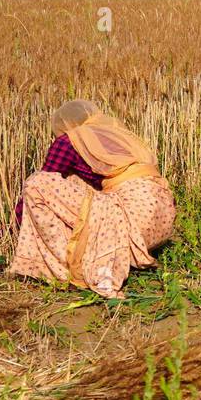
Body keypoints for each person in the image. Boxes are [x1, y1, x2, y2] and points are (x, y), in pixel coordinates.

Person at [9, 100, 174, 298]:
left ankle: (65, 266)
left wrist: (17, 222)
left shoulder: (69, 141)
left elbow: (46, 180)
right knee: (74, 179)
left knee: (38, 183)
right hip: (160, 218)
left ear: (65, 125)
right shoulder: (115, 135)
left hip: (132, 217)